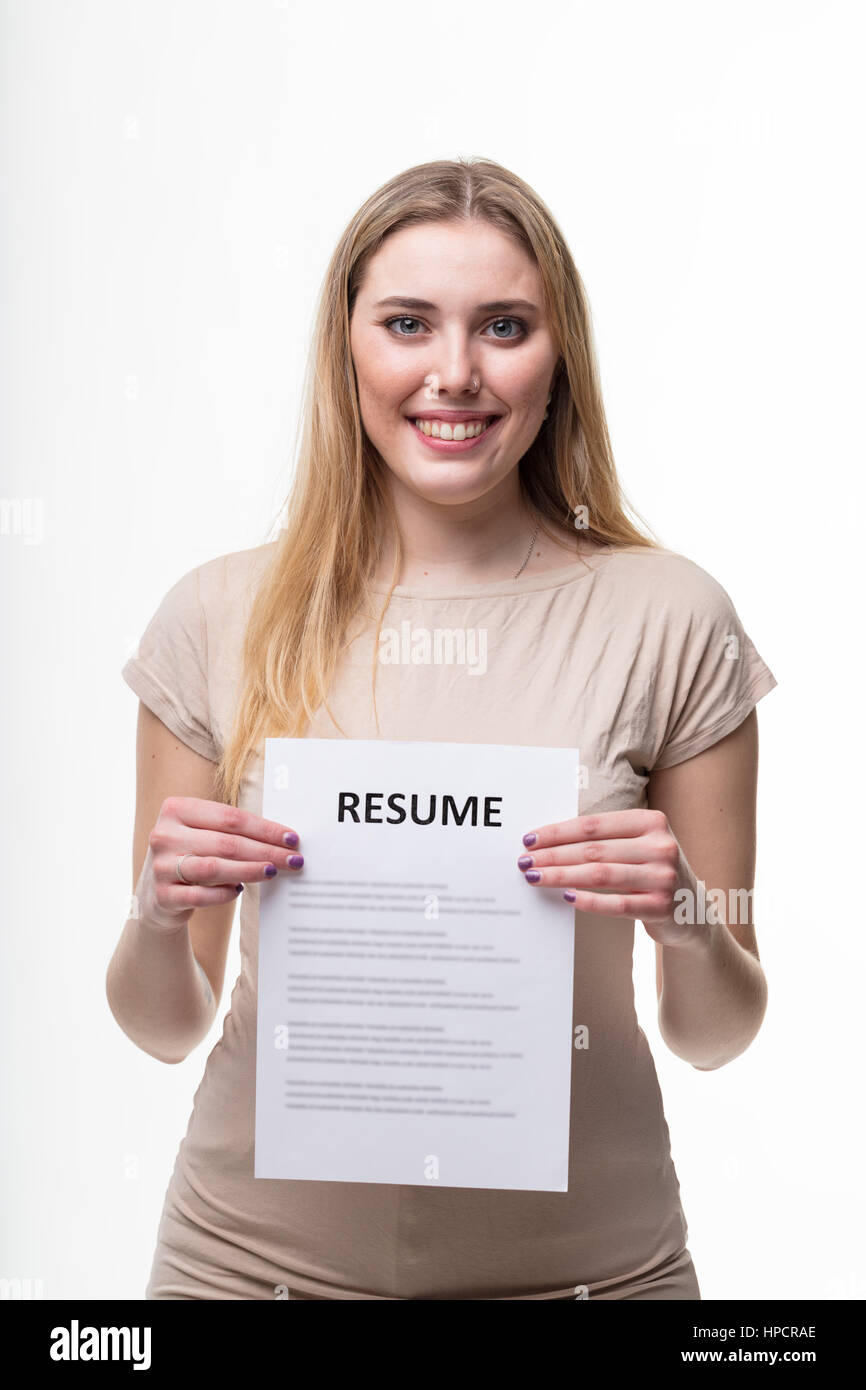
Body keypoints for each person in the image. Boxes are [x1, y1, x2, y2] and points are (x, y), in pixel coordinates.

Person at [106, 156, 777, 1300]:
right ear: (346, 348)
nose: (453, 374)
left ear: (557, 357)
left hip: (589, 1279)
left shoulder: (670, 616)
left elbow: (714, 1032)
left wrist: (687, 917)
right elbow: (165, 1026)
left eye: (503, 326)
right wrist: (158, 913)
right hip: (248, 1272)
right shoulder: (218, 616)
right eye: (407, 323)